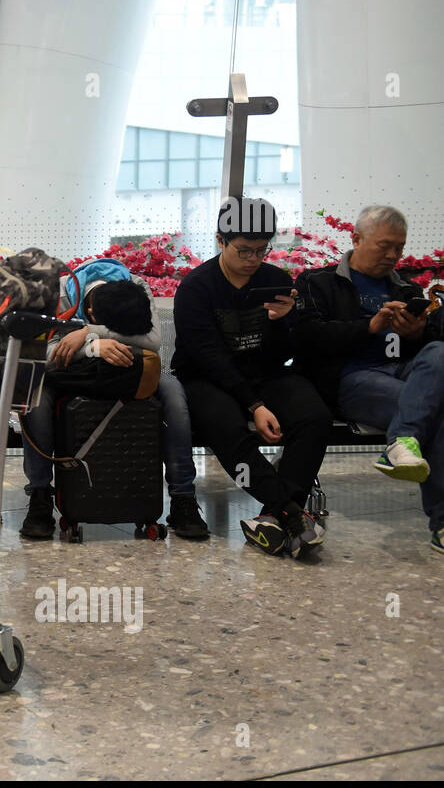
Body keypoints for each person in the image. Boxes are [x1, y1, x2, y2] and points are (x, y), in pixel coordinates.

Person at [173, 197, 330, 557]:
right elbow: (209, 358)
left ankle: (272, 518)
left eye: (261, 250)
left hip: (266, 374)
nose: (253, 260)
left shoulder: (276, 280)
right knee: (227, 428)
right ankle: (291, 512)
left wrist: (282, 322)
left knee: (314, 417)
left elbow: (283, 352)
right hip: (206, 379)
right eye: (243, 250)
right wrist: (255, 405)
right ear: (221, 240)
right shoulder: (197, 287)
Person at [292, 204, 444, 554]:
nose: (393, 255)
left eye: (399, 248)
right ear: (357, 239)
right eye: (385, 246)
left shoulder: (406, 288)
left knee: (439, 351)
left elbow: (429, 344)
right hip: (351, 379)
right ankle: (441, 522)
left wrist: (417, 333)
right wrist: (368, 327)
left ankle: (402, 440)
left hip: (402, 372)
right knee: (436, 412)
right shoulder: (318, 282)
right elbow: (307, 337)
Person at [19, 266, 210, 540]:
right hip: (69, 370)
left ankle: (183, 498)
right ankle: (39, 496)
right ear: (90, 310)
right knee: (34, 396)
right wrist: (92, 348)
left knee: (172, 391)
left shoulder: (136, 286)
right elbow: (39, 354)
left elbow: (153, 340)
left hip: (129, 366)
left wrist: (89, 332)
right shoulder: (56, 295)